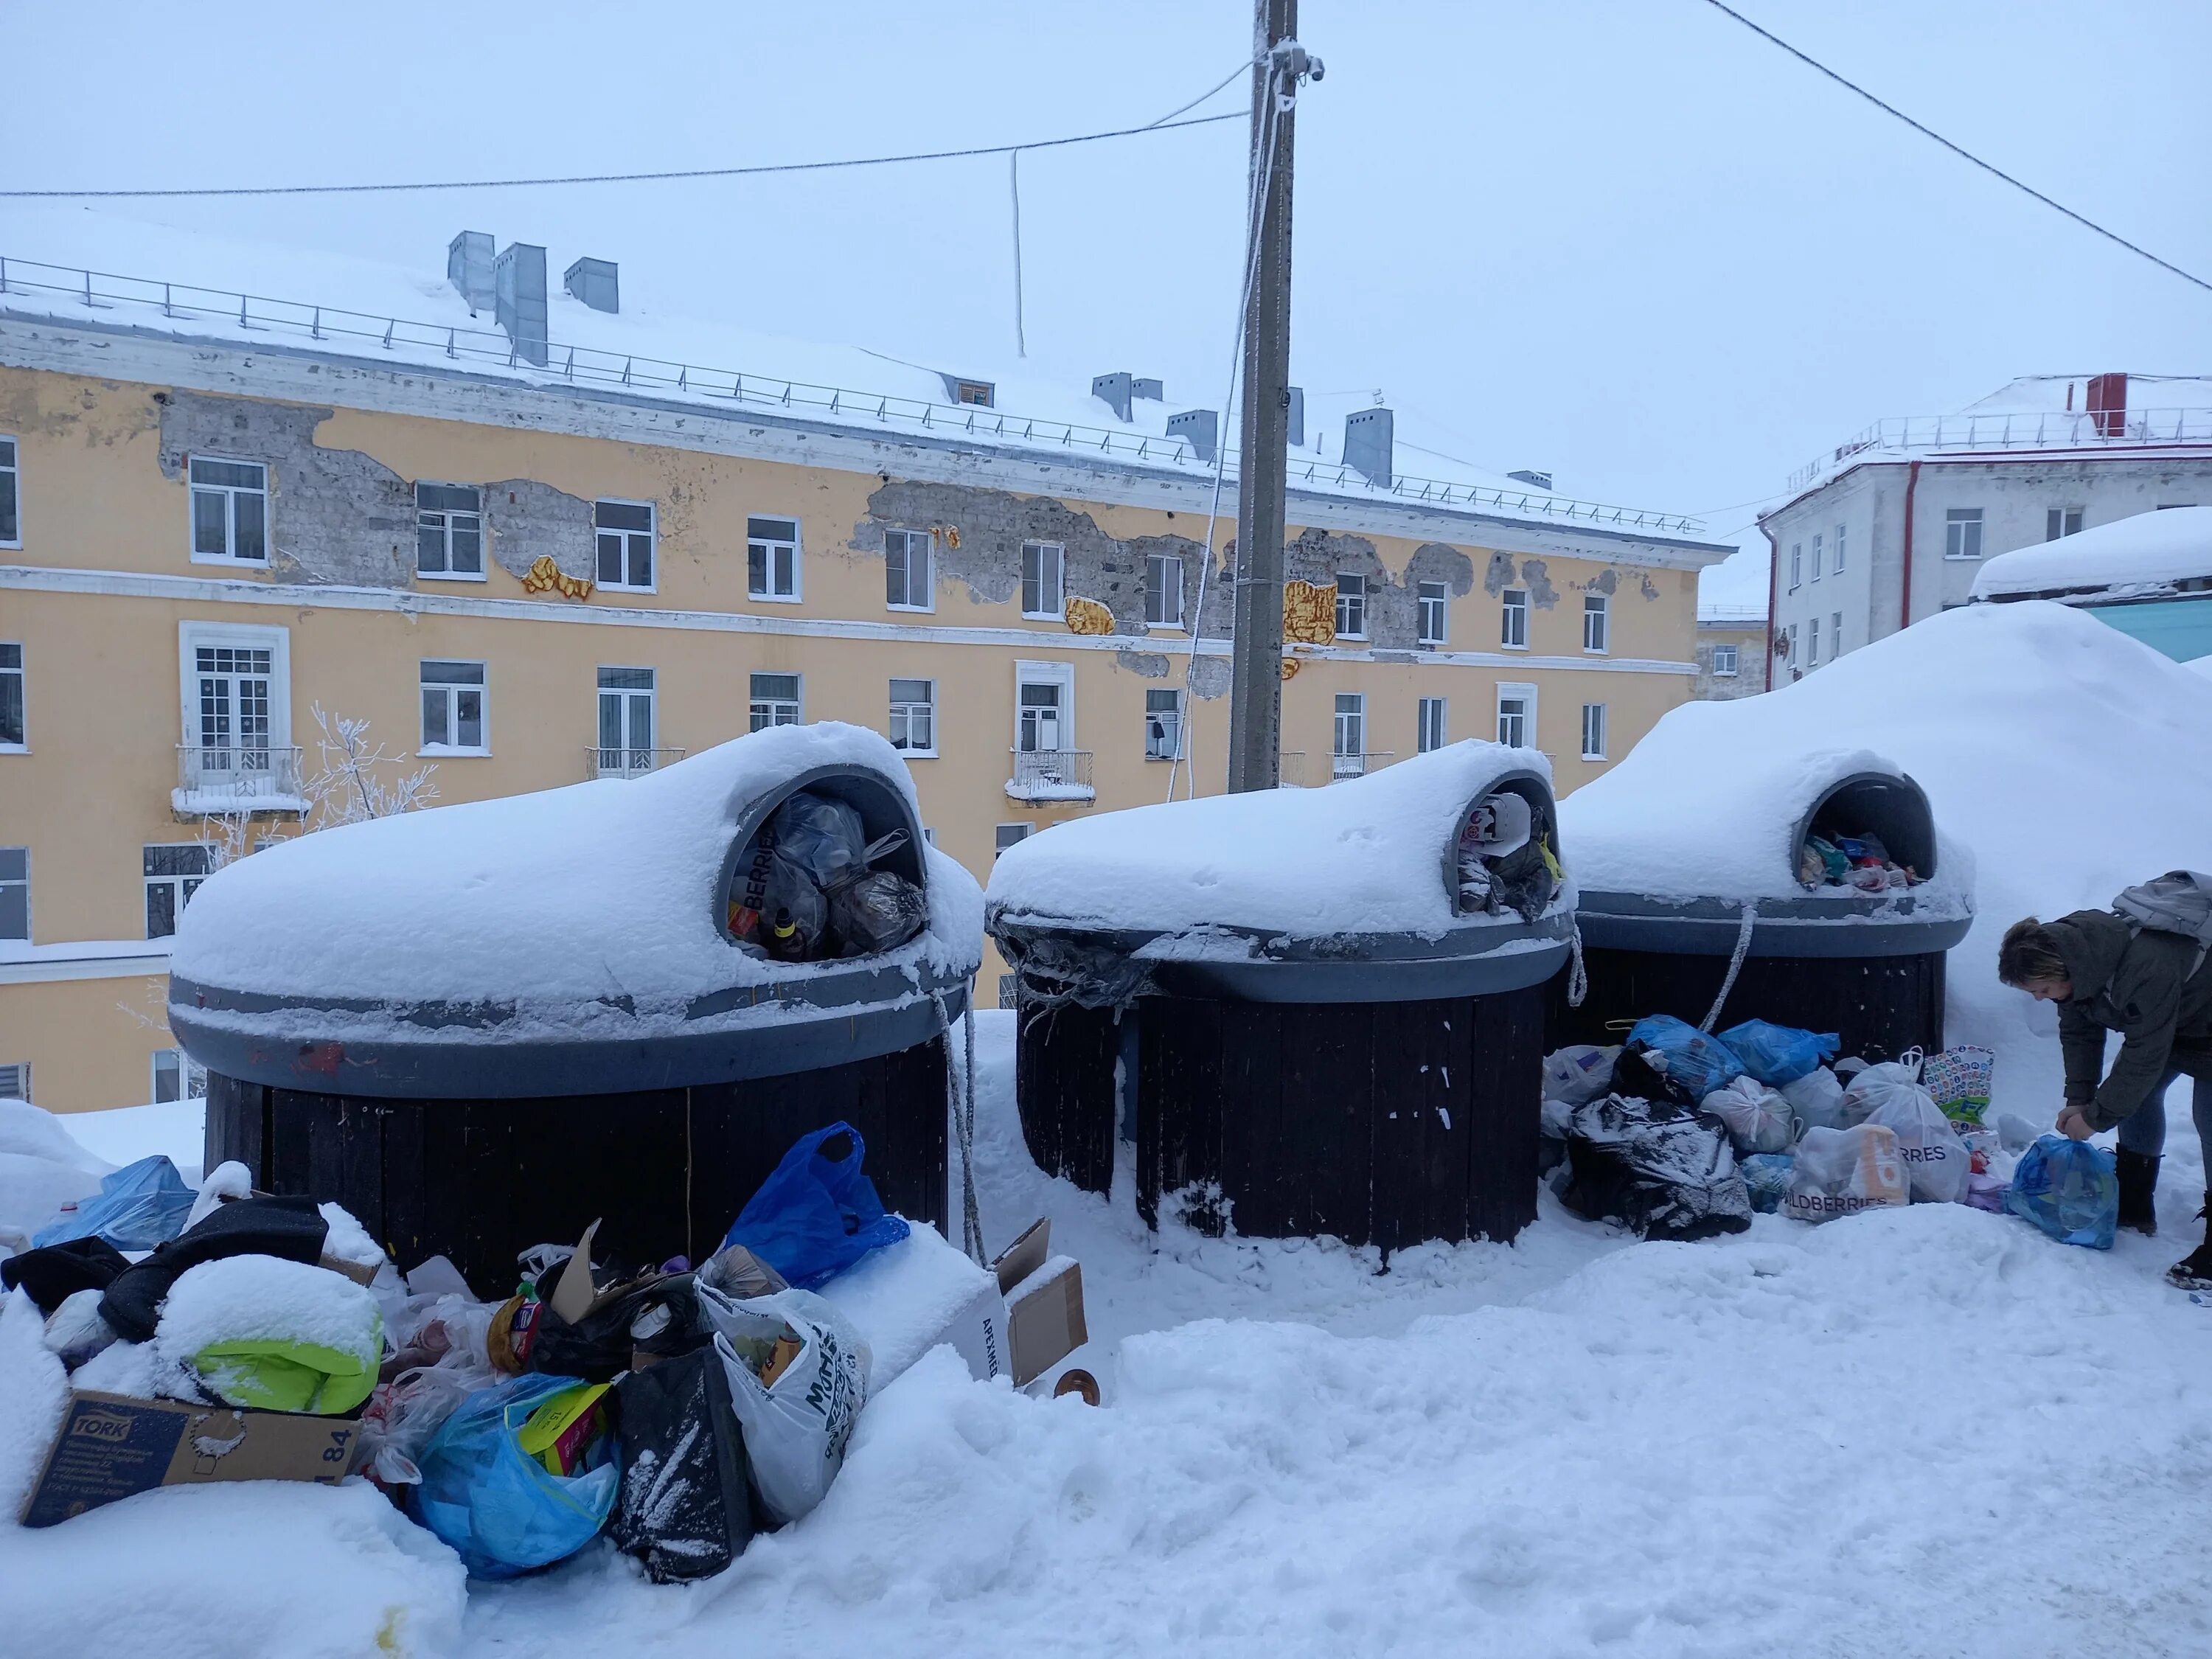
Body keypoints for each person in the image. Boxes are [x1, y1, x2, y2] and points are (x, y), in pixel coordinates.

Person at [1999, 911, 2212, 1287]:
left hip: (2202, 1020)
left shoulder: (2144, 966)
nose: (2038, 998)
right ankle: (2134, 1202)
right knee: (2138, 1096)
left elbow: (2145, 1053)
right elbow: (2081, 1035)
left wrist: (2098, 1117)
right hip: (2178, 1022)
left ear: (2063, 969)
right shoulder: (2081, 971)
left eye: (2043, 989)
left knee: (2208, 1117)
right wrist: (2081, 1099)